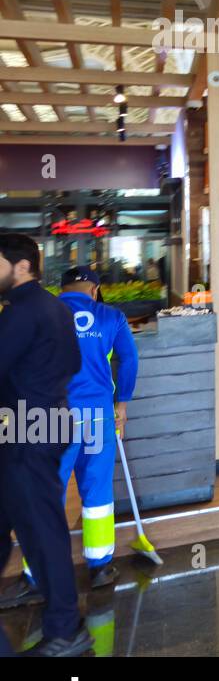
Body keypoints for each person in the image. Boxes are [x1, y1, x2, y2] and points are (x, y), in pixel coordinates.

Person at [6, 266, 138, 611]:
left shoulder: (40, 312)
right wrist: (121, 405)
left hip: (49, 417)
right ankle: (100, 567)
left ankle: (35, 577)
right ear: (94, 290)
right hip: (96, 417)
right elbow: (130, 359)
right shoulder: (111, 316)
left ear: (61, 288)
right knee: (97, 493)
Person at [0, 234, 91, 656]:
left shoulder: (20, 313)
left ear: (20, 267)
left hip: (25, 430)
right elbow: (72, 364)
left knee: (42, 529)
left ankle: (66, 630)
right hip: (46, 421)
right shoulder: (55, 307)